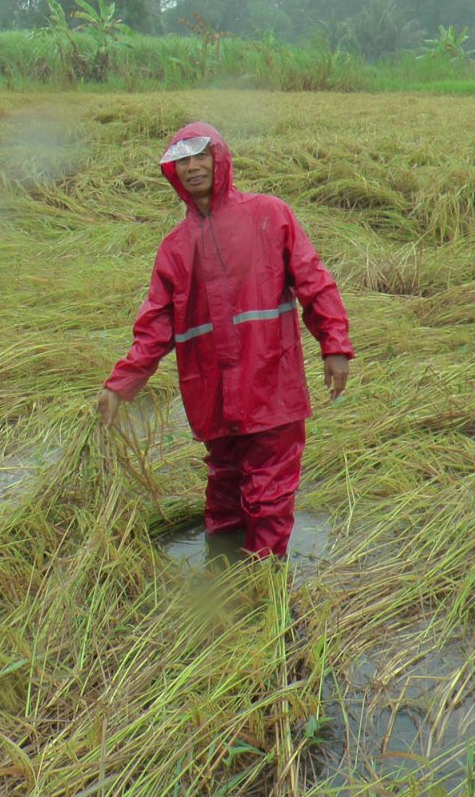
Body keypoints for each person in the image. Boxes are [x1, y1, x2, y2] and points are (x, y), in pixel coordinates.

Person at [96, 122, 353, 559]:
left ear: (220, 159)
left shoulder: (269, 215)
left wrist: (335, 346)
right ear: (172, 172)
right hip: (213, 396)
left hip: (270, 384)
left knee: (268, 497)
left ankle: (265, 592)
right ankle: (222, 586)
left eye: (201, 155)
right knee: (226, 493)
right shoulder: (174, 248)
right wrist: (119, 386)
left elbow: (314, 283)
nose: (193, 167)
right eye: (183, 160)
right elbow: (155, 326)